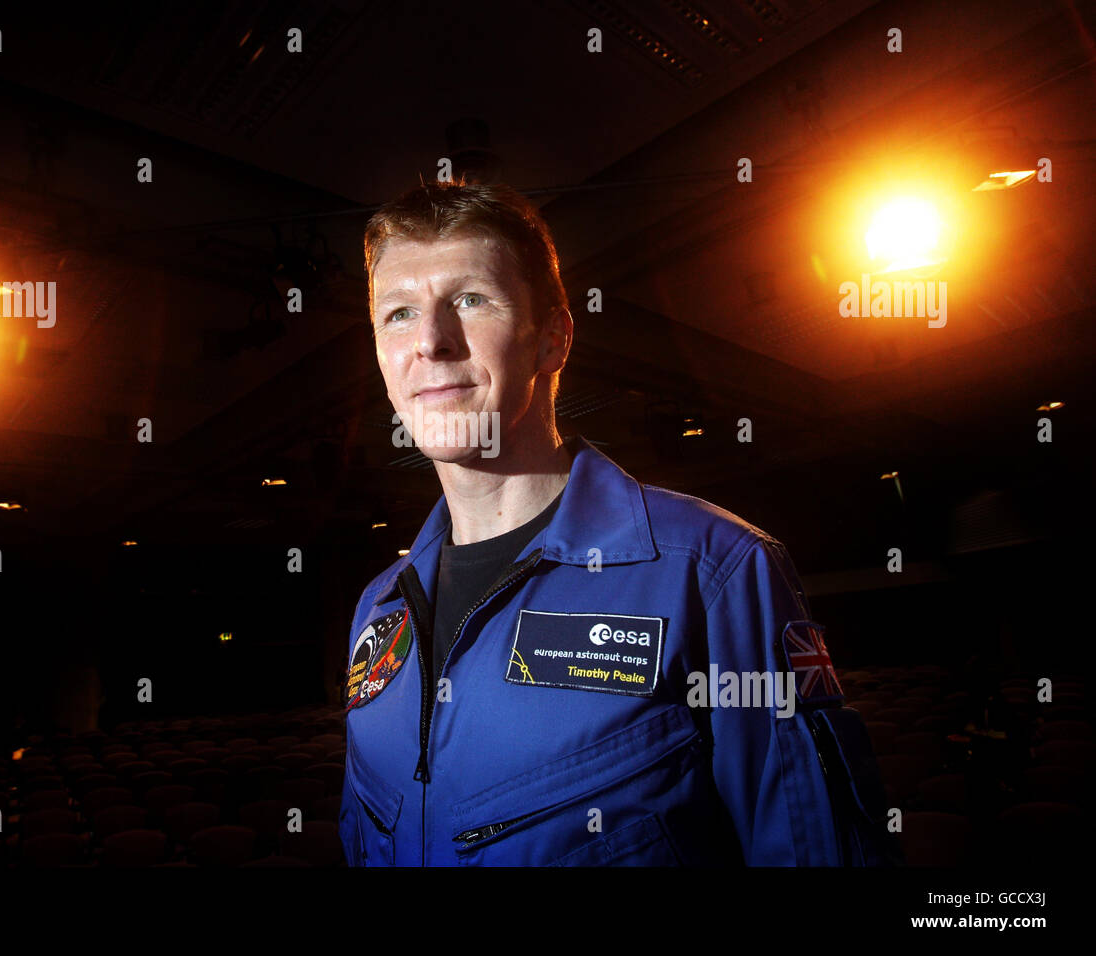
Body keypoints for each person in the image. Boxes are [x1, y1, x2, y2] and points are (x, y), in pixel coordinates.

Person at [339, 179, 899, 866]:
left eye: (471, 300)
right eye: (398, 313)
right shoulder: (377, 608)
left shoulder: (712, 569)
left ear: (552, 340)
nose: (430, 340)